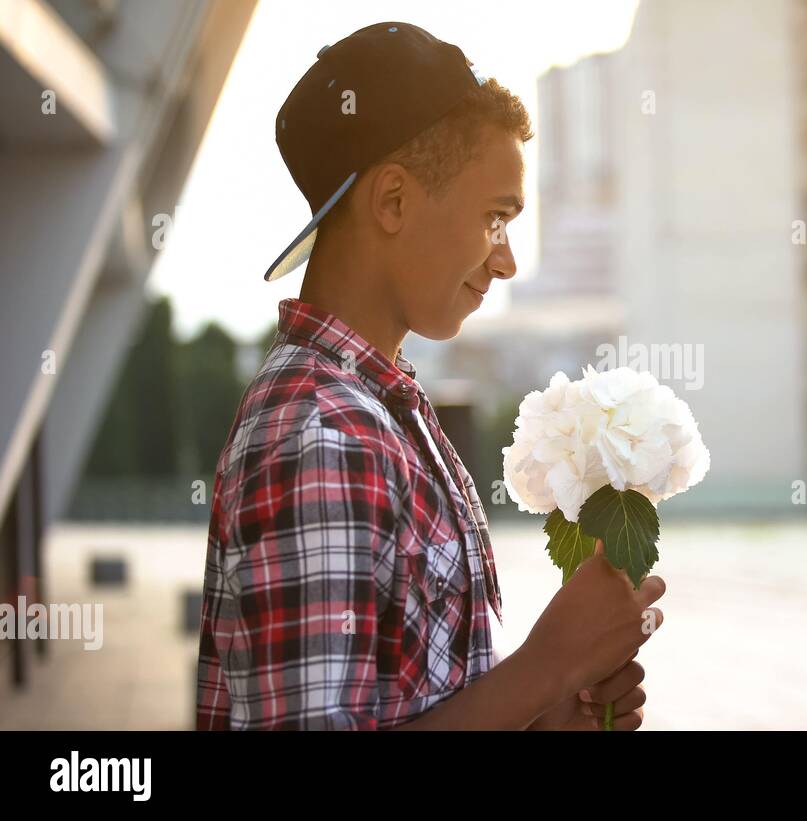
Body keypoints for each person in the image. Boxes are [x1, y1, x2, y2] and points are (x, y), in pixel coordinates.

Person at [196, 22, 664, 730]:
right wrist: (548, 664)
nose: (506, 260)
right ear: (393, 202)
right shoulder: (324, 432)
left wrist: (540, 714)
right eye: (495, 217)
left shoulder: (382, 411)